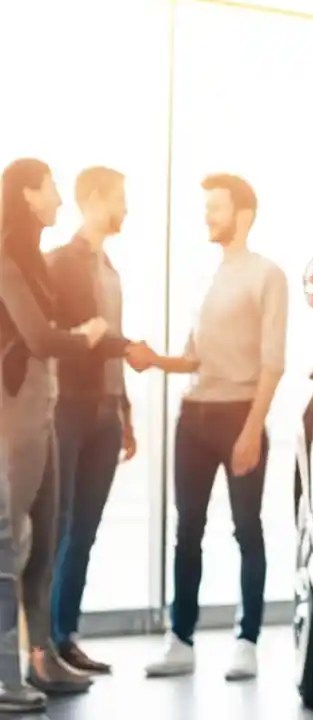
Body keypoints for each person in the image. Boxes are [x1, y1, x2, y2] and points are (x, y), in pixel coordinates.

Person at [137, 173, 287, 681]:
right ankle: (180, 638)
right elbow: (193, 357)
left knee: (247, 530)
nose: (207, 216)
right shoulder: (207, 279)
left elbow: (273, 365)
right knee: (187, 531)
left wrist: (251, 430)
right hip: (194, 418)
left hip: (240, 416)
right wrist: (154, 359)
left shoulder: (268, 276)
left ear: (242, 213)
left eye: (215, 208)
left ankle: (247, 640)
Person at [0, 158, 109, 703]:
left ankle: (38, 662)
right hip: (13, 413)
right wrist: (86, 337)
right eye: (51, 189)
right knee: (7, 544)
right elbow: (40, 339)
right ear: (26, 194)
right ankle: (5, 678)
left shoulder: (34, 263)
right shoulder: (5, 261)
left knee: (42, 543)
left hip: (43, 408)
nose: (60, 200)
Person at [47, 166, 145, 675]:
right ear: (94, 199)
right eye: (120, 199)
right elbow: (57, 337)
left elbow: (113, 344)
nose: (125, 209)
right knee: (57, 527)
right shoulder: (59, 262)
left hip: (106, 412)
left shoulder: (111, 270)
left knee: (84, 530)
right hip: (67, 409)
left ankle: (65, 635)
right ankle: (42, 642)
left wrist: (126, 413)